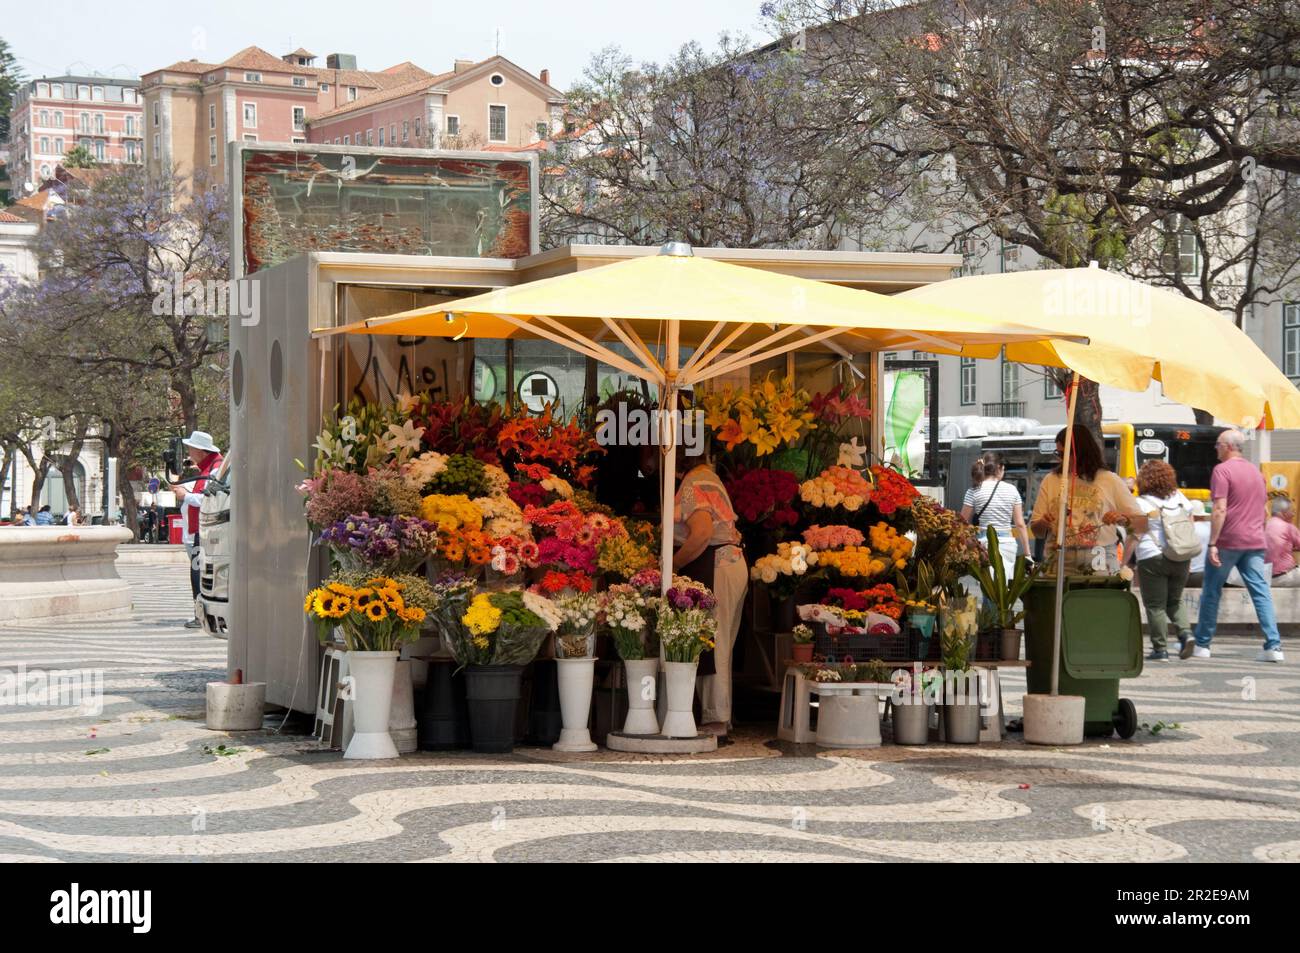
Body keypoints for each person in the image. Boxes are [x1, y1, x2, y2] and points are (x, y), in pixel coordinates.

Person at [672, 440, 747, 738]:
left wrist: (674, 564)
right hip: (730, 563)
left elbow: (701, 533)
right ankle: (720, 717)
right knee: (721, 642)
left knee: (712, 642)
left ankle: (716, 720)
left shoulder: (692, 483)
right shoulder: (709, 477)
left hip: (717, 565)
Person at [1187, 429, 1283, 662]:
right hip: (1255, 541)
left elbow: (1220, 508)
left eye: (1218, 444)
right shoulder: (1255, 471)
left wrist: (1213, 543)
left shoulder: (1222, 471)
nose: (1215, 448)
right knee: (1261, 592)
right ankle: (1274, 646)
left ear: (1228, 446)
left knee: (1212, 591)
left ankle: (1203, 644)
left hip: (1228, 540)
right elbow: (1262, 509)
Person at [1030, 426, 1146, 574]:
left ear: (1081, 452)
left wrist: (1122, 519)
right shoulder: (1051, 480)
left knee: (1095, 597)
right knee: (1059, 597)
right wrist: (1043, 523)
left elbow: (1142, 525)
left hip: (1099, 557)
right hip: (1059, 557)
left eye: (1064, 453)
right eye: (1058, 453)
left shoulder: (1109, 480)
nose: (1060, 458)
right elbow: (1037, 531)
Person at [1123, 460, 1198, 660]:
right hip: (1180, 555)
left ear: (1144, 480)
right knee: (1175, 600)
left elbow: (1135, 536)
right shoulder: (1180, 498)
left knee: (1155, 604)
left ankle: (1160, 649)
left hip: (1152, 557)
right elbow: (1190, 525)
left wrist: (1123, 563)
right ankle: (1186, 634)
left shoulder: (1141, 503)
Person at [172, 431, 224, 629]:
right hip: (202, 530)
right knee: (199, 572)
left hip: (205, 531)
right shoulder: (211, 467)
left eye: (192, 449)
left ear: (201, 452)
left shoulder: (214, 469)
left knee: (198, 572)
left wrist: (185, 496)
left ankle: (201, 615)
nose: (189, 453)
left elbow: (208, 498)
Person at [960, 450, 1031, 579]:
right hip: (1007, 543)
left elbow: (962, 522)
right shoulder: (1012, 490)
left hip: (984, 544)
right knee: (1003, 587)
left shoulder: (974, 490)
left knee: (988, 587)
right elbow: (1020, 524)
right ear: (1000, 468)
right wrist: (1027, 554)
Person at [1267, 497, 1300, 587]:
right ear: (1283, 512)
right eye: (1292, 511)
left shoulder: (1266, 526)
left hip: (1267, 577)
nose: (1293, 514)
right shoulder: (1288, 527)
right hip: (1285, 576)